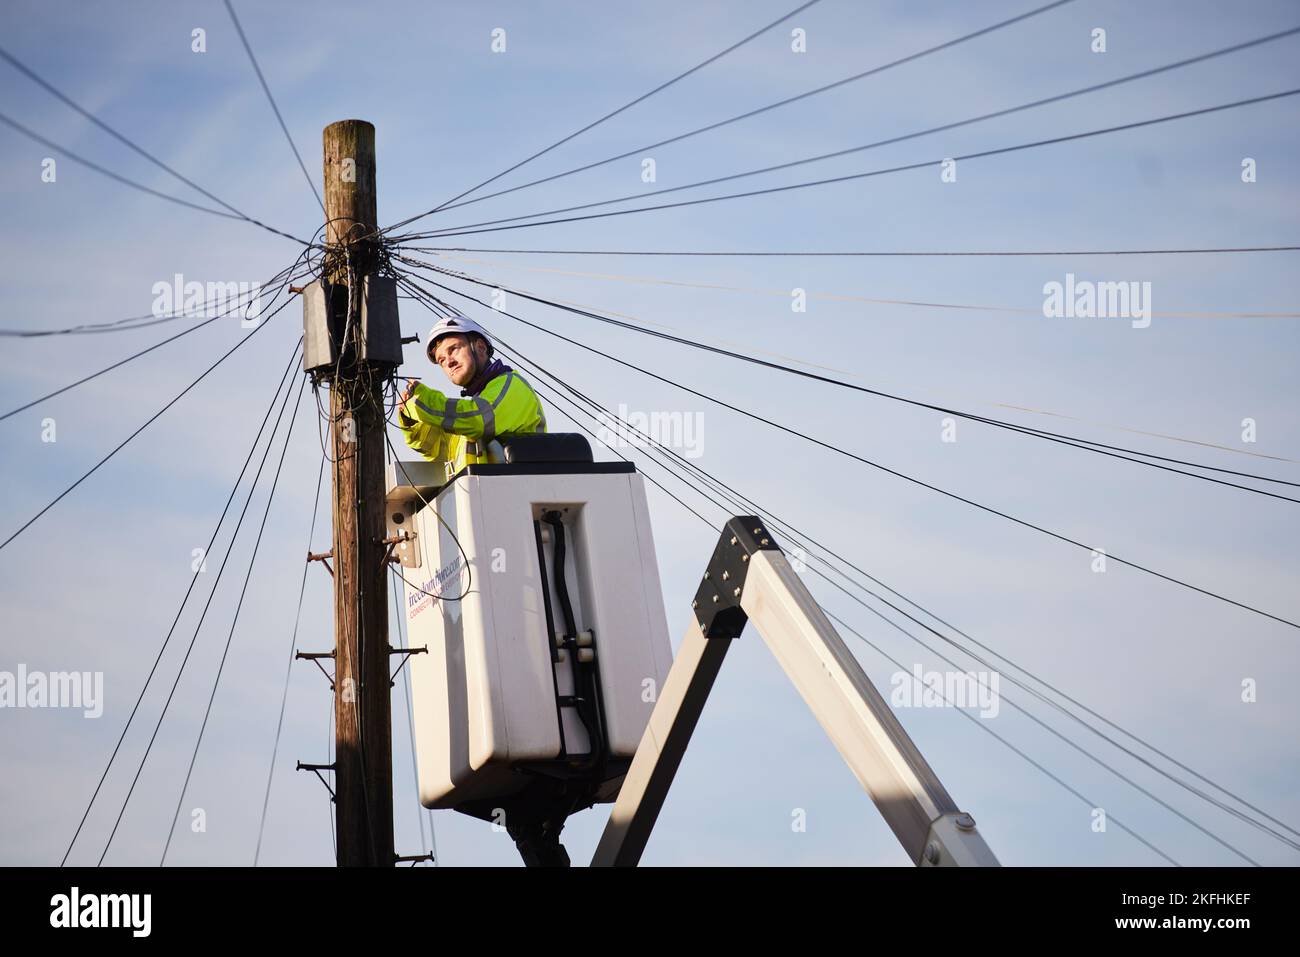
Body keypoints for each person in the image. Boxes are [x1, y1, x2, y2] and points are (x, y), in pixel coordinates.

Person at [397, 313, 546, 477]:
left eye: (454, 349)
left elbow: (478, 419)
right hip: (481, 498)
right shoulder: (469, 416)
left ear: (480, 347)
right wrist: (412, 421)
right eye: (441, 360)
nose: (449, 362)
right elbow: (441, 449)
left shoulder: (512, 384)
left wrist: (422, 401)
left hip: (517, 494)